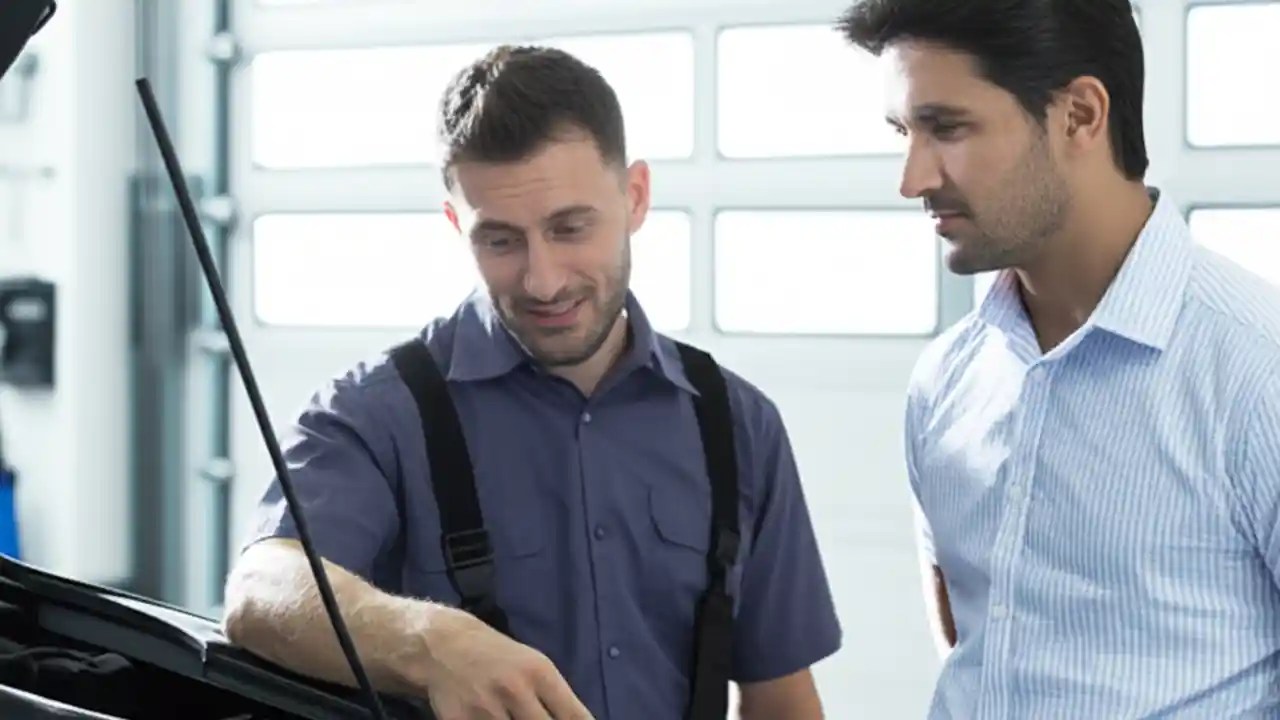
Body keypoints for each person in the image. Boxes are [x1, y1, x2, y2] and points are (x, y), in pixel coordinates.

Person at [220, 44, 841, 720]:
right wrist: (431, 642)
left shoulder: (739, 423)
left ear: (635, 197)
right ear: (458, 224)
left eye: (570, 228)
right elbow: (261, 592)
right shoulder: (377, 413)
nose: (543, 280)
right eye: (500, 241)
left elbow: (781, 697)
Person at [838, 1, 1280, 717]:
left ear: (1079, 113)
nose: (911, 178)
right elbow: (969, 640)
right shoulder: (946, 380)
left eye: (946, 127)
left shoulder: (1257, 370)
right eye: (903, 132)